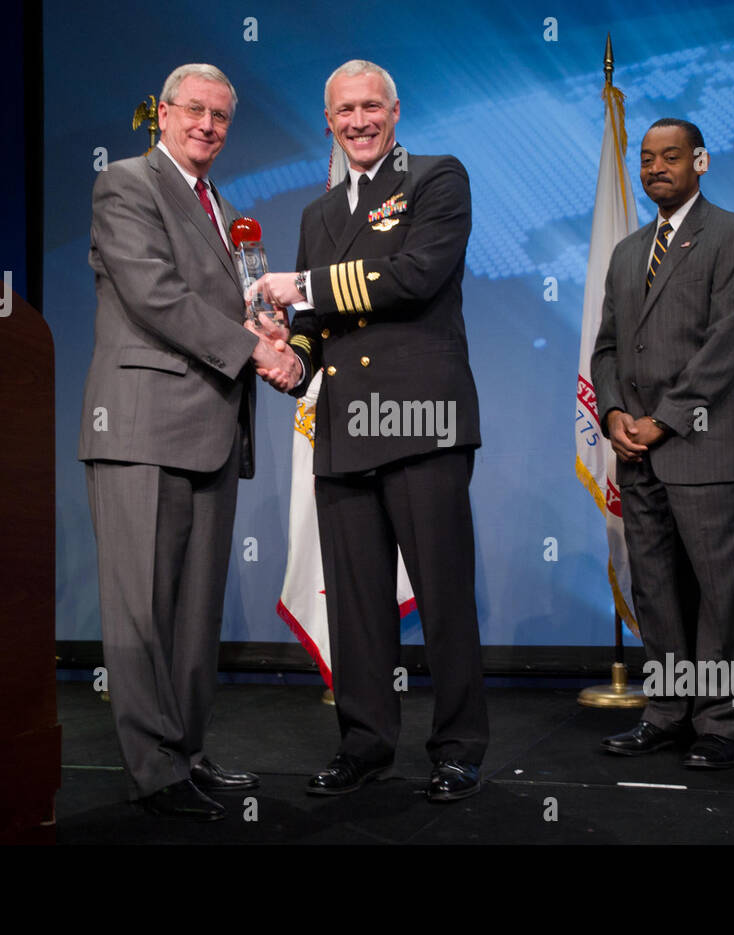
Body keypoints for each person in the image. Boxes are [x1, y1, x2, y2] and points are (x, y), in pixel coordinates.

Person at [246, 59, 489, 802]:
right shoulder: (320, 214)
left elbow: (415, 275)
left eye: (370, 107)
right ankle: (365, 742)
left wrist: (306, 288)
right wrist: (295, 360)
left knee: (444, 596)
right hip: (346, 424)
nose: (358, 121)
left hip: (422, 419)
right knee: (353, 602)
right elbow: (319, 324)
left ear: (395, 111)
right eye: (344, 110)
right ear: (328, 120)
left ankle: (457, 747)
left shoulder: (437, 178)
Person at [78, 63, 298, 820]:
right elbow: (155, 295)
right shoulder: (127, 185)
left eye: (221, 117)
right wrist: (255, 351)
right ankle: (156, 771)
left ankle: (189, 752)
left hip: (211, 427)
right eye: (194, 111)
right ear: (163, 114)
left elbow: (241, 304)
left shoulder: (227, 210)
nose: (208, 125)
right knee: (141, 608)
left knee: (194, 612)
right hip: (140, 427)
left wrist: (279, 334)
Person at [590, 118, 734, 769]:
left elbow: (728, 343)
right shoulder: (628, 250)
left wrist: (661, 419)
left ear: (701, 161)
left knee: (720, 595)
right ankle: (667, 712)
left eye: (671, 157)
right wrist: (613, 414)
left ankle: (720, 721)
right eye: (647, 158)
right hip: (636, 452)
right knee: (657, 592)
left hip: (707, 449)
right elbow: (607, 345)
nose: (656, 167)